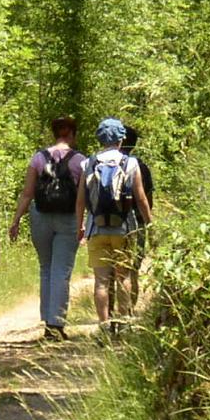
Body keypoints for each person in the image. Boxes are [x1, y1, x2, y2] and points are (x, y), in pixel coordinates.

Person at [9, 116, 87, 340]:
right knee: (61, 271)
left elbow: (27, 193)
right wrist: (82, 222)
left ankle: (47, 321)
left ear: (54, 133)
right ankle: (56, 324)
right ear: (72, 133)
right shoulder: (80, 160)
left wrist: (16, 221)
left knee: (46, 268)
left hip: (40, 216)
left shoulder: (38, 158)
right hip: (68, 218)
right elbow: (81, 198)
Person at [76, 117, 152, 338]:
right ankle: (124, 322)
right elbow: (141, 199)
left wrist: (80, 226)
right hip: (124, 229)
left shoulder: (88, 163)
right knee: (123, 277)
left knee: (101, 280)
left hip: (96, 229)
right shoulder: (131, 163)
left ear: (100, 138)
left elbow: (80, 200)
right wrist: (149, 224)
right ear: (121, 139)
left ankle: (103, 326)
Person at [121, 125, 154, 311]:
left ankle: (108, 315)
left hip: (109, 222)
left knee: (110, 271)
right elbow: (147, 199)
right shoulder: (140, 166)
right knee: (132, 269)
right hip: (137, 223)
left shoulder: (101, 163)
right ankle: (129, 311)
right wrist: (149, 223)